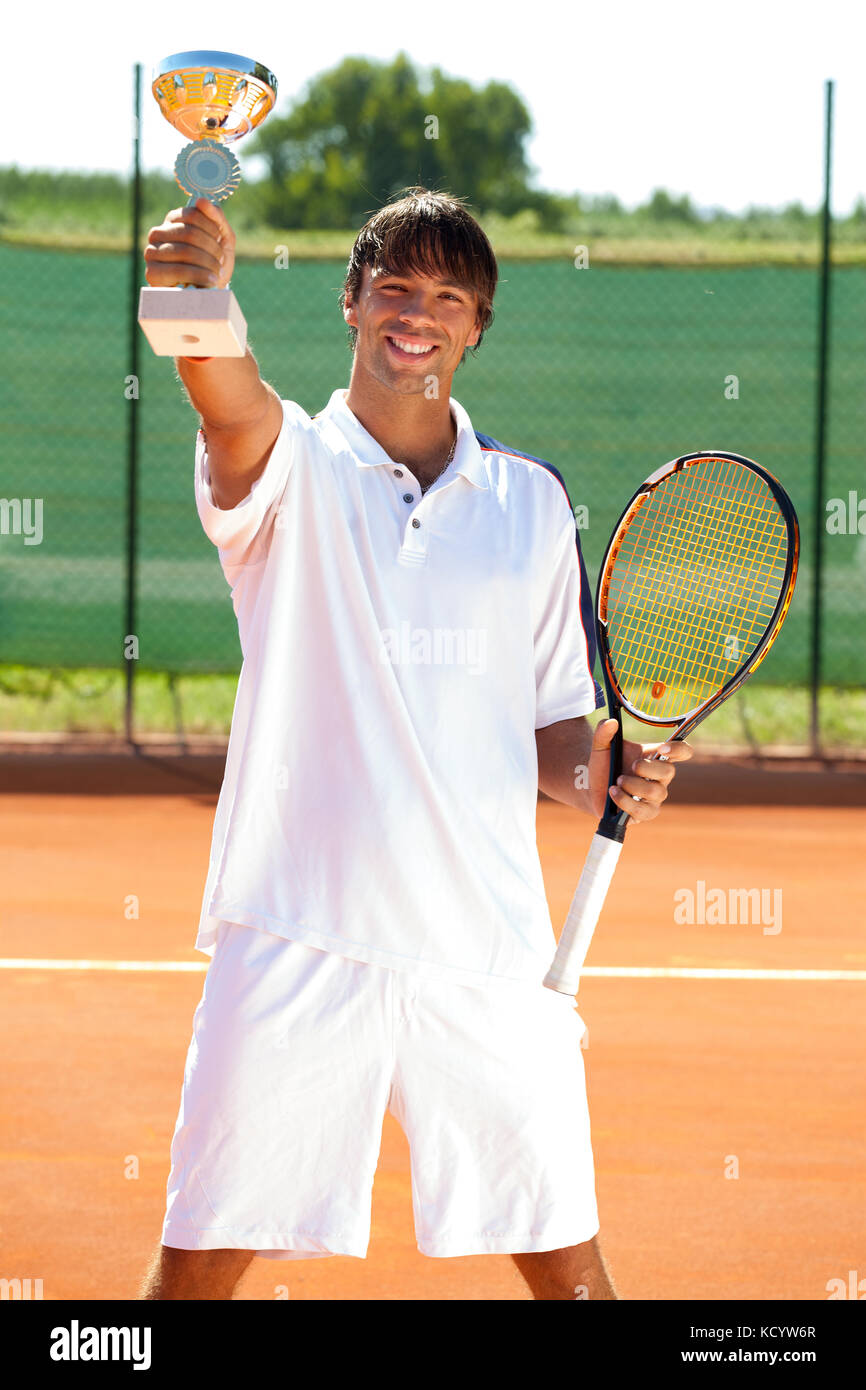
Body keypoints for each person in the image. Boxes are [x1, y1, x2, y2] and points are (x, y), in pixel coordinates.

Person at [138, 187, 691, 1301]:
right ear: (351, 302)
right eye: (394, 286)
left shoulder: (530, 504)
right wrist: (193, 301)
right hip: (296, 933)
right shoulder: (287, 464)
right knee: (198, 1260)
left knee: (571, 1267)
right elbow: (227, 406)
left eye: (447, 295)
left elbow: (551, 734)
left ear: (474, 326)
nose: (416, 313)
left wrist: (607, 776)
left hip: (485, 952)